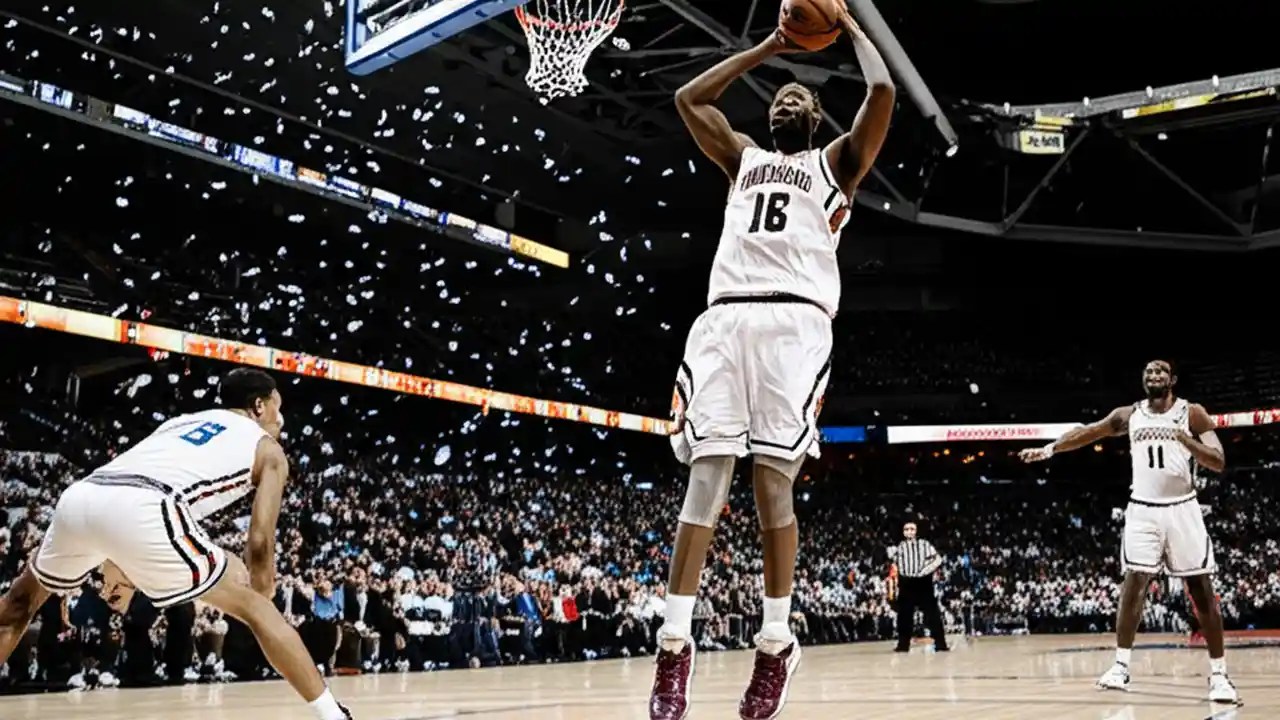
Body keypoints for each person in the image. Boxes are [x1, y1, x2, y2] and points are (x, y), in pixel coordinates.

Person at [651, 6, 894, 720]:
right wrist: (765, 48)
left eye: (802, 96)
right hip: (725, 319)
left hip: (795, 324)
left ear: (817, 120)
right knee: (705, 483)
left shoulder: (837, 165)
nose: (789, 97)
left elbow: (881, 96)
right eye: (780, 94)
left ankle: (776, 642)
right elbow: (688, 100)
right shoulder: (744, 158)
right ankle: (673, 646)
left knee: (771, 491)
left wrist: (847, 27)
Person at [0, 369, 354, 719]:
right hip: (149, 505)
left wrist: (112, 560)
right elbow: (260, 540)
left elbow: (122, 504)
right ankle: (334, 716)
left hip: (83, 495)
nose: (282, 419)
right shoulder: (269, 449)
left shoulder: (181, 422)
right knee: (254, 603)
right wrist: (262, 599)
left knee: (18, 603)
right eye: (279, 407)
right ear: (259, 406)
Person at [1019, 359, 1239, 705]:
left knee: (1200, 588)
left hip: (1183, 507)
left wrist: (1185, 440)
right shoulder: (1128, 415)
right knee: (1133, 584)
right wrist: (1049, 449)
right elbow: (1088, 431)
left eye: (1161, 372)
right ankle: (1120, 666)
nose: (1154, 376)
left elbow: (1218, 459)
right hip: (1143, 509)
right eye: (1149, 372)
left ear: (1173, 379)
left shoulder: (1192, 413)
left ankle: (1220, 675)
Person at [889, 521, 948, 653]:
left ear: (916, 531)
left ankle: (940, 643)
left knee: (932, 613)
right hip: (906, 583)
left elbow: (938, 560)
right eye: (906, 529)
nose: (909, 532)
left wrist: (925, 571)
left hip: (923, 582)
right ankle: (903, 644)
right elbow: (893, 563)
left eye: (912, 529)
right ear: (903, 532)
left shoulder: (924, 544)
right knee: (904, 616)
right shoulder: (898, 547)